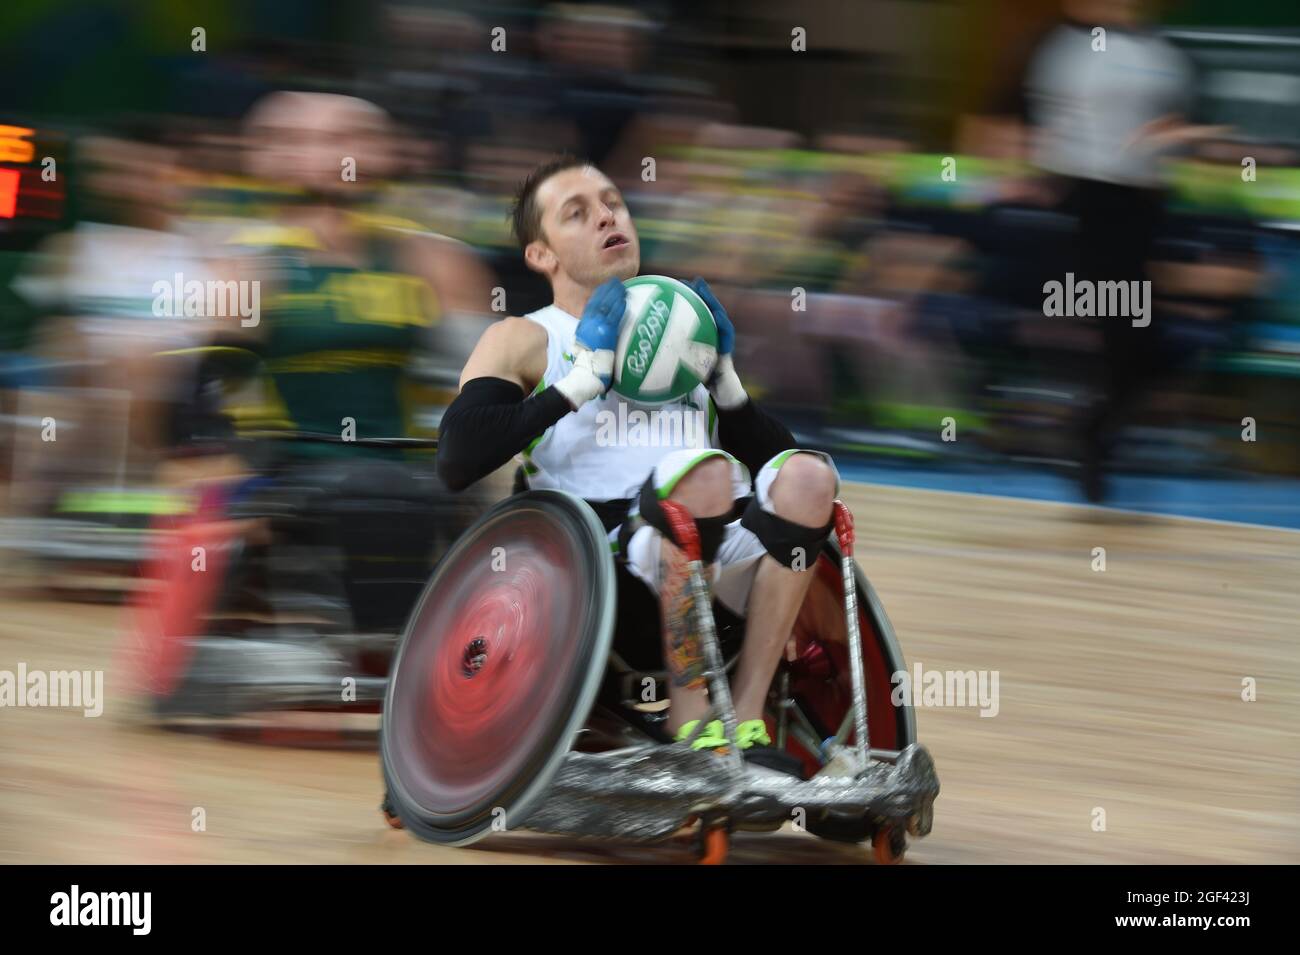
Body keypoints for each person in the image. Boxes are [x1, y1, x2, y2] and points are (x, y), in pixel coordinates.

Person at [435, 156, 842, 773]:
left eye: (612, 203)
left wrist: (727, 385)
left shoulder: (679, 326)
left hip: (719, 571)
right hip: (599, 574)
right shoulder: (527, 337)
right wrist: (583, 380)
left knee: (811, 474)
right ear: (542, 255)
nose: (605, 216)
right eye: (577, 213)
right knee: (702, 475)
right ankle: (690, 719)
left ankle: (749, 716)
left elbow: (773, 464)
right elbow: (458, 458)